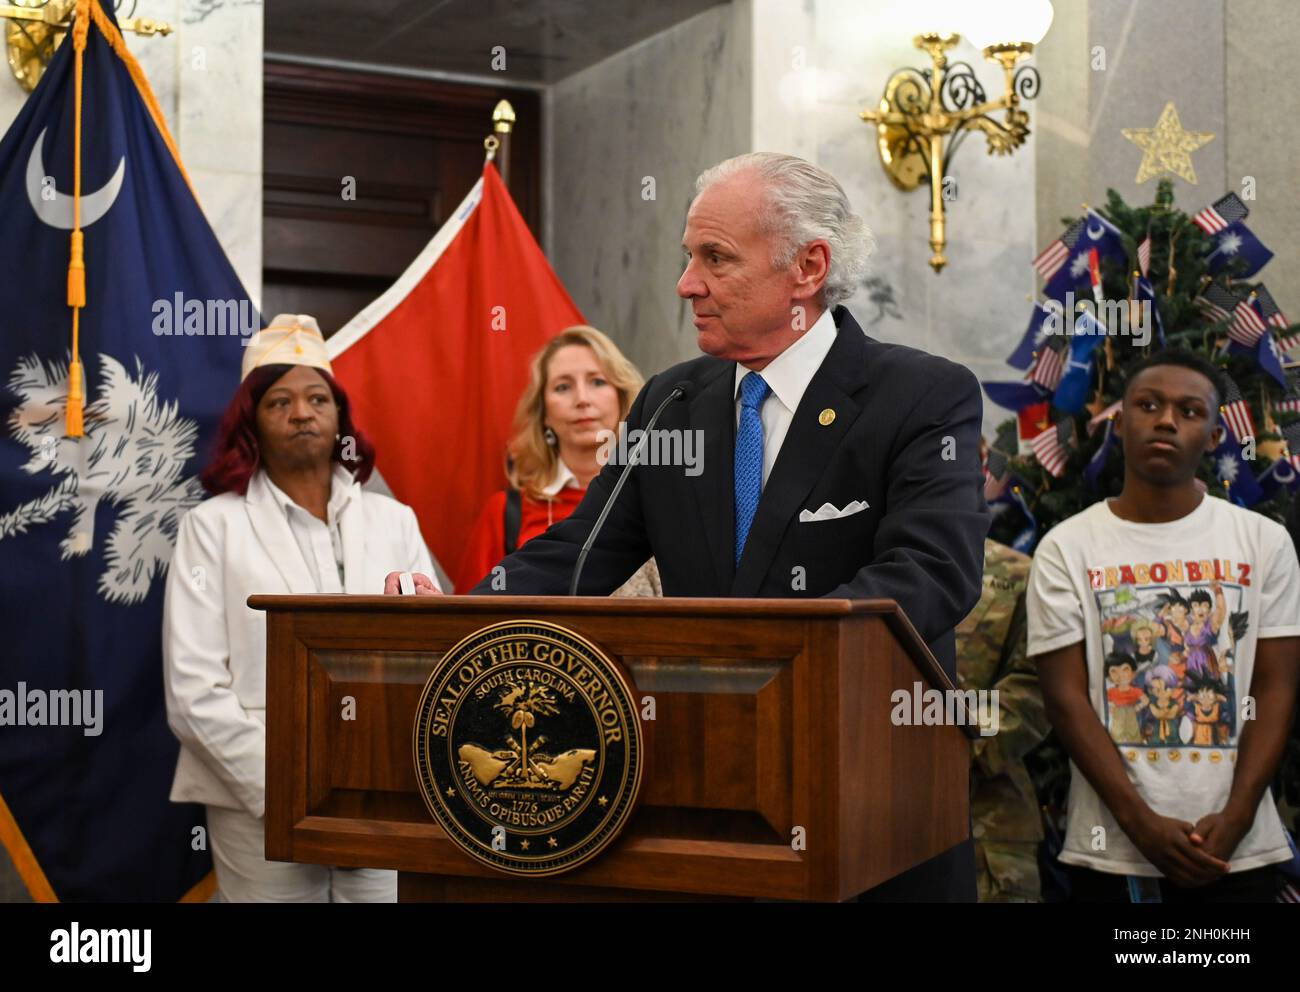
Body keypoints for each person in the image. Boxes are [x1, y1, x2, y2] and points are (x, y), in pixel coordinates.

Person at [388, 152, 990, 901]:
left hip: (867, 804)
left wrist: (765, 676)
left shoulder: (922, 395)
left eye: (716, 258)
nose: (687, 284)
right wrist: (459, 613)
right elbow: (582, 552)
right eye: (688, 257)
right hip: (711, 803)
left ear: (808, 267)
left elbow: (932, 574)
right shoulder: (670, 402)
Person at [164, 315, 437, 903]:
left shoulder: (396, 522)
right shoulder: (211, 529)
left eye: (318, 398)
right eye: (280, 402)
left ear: (340, 416)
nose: (302, 413)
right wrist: (292, 787)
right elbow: (193, 691)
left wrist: (381, 778)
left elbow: (432, 655)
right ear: (252, 424)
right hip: (258, 798)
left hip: (381, 794)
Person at [1028, 349, 1300, 903]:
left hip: (1237, 846)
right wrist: (1139, 822)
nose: (1167, 420)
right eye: (1148, 405)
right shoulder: (1067, 547)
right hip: (1113, 851)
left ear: (1217, 434)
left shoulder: (1263, 542)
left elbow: (1275, 687)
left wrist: (1240, 812)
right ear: (1120, 421)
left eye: (1190, 410)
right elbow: (1065, 698)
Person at [453, 325, 660, 596]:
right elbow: (467, 619)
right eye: (563, 387)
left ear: (622, 398)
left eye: (597, 382)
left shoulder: (658, 502)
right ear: (544, 413)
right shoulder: (505, 514)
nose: (582, 399)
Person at [956, 538, 1050, 902]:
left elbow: (1038, 687)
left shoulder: (1019, 574)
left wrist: (943, 749)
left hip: (987, 827)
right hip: (859, 830)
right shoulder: (847, 558)